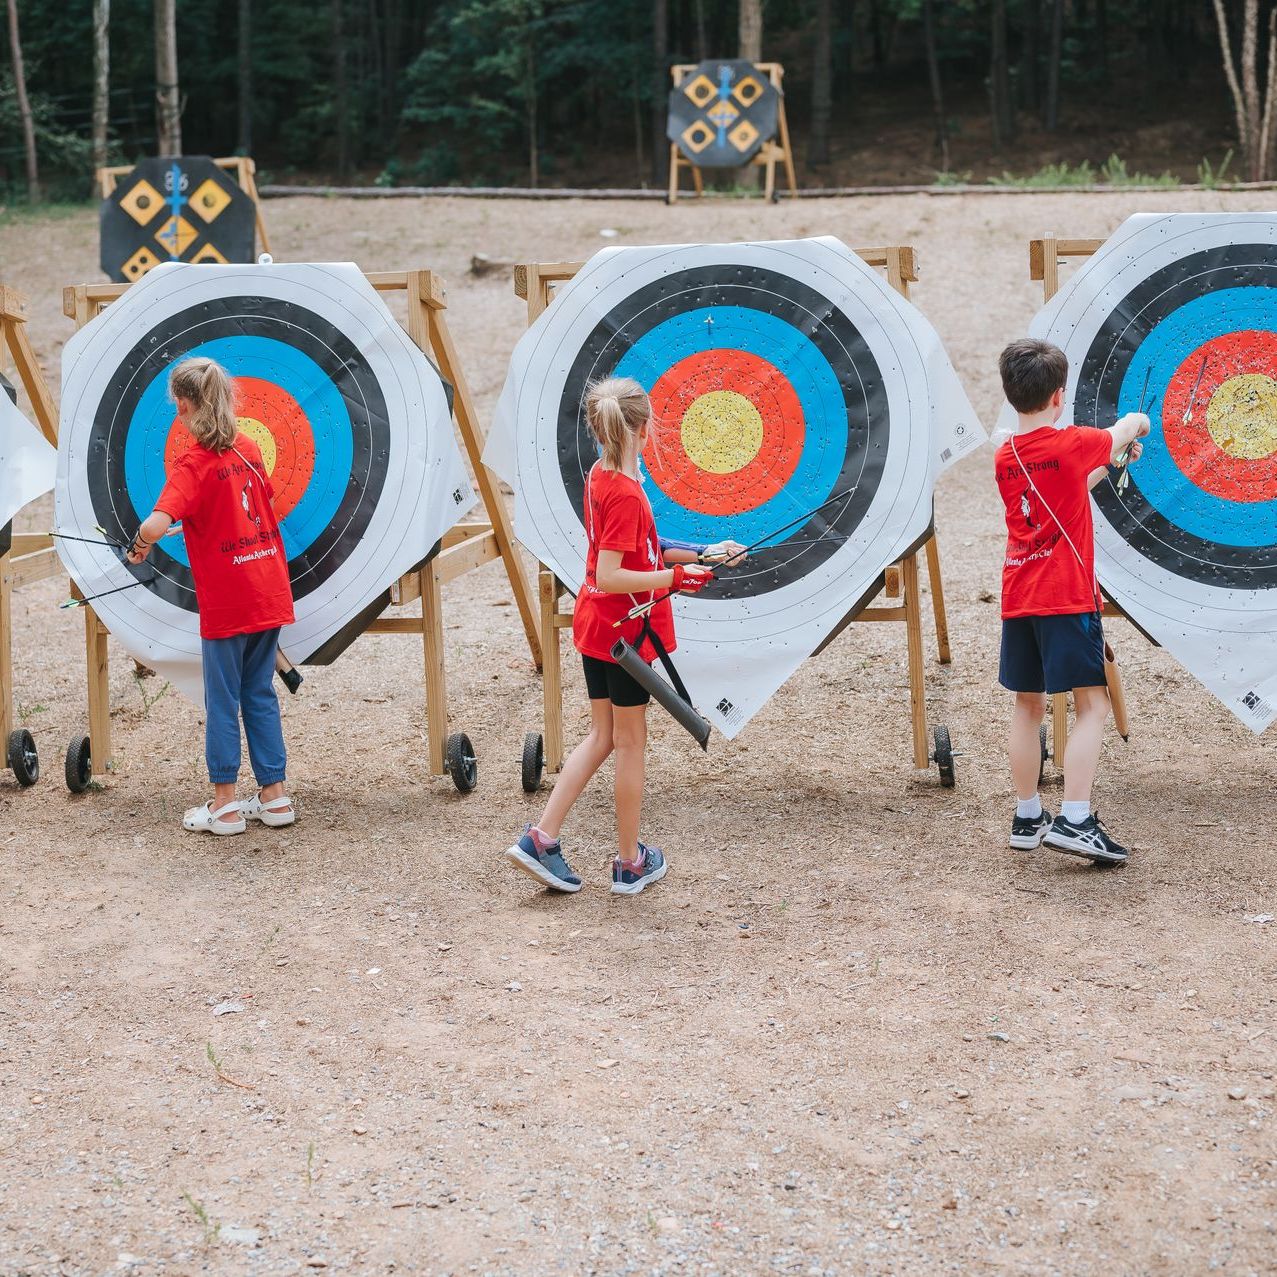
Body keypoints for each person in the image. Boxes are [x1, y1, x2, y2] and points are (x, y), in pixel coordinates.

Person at [504, 376, 744, 896]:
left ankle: (540, 839)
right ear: (644, 428)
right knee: (629, 742)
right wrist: (675, 579)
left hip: (600, 625)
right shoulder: (627, 495)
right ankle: (631, 862)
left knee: (603, 736)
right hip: (625, 636)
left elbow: (645, 546)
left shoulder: (603, 474)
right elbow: (613, 573)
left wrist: (701, 553)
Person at [994, 338, 1150, 865]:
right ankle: (1076, 820)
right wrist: (1135, 425)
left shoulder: (1005, 455)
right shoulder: (1072, 442)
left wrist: (1110, 460)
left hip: (1021, 596)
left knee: (1027, 704)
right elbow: (1122, 430)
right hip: (1065, 596)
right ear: (1059, 396)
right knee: (1093, 705)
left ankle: (1028, 816)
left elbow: (1068, 483)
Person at [128, 357, 296, 836]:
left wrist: (140, 545)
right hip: (267, 586)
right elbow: (252, 505)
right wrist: (198, 521)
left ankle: (224, 806)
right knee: (258, 691)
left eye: (176, 404)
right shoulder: (249, 448)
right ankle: (275, 797)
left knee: (222, 698)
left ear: (184, 405)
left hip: (229, 599)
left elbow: (153, 524)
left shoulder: (194, 463)